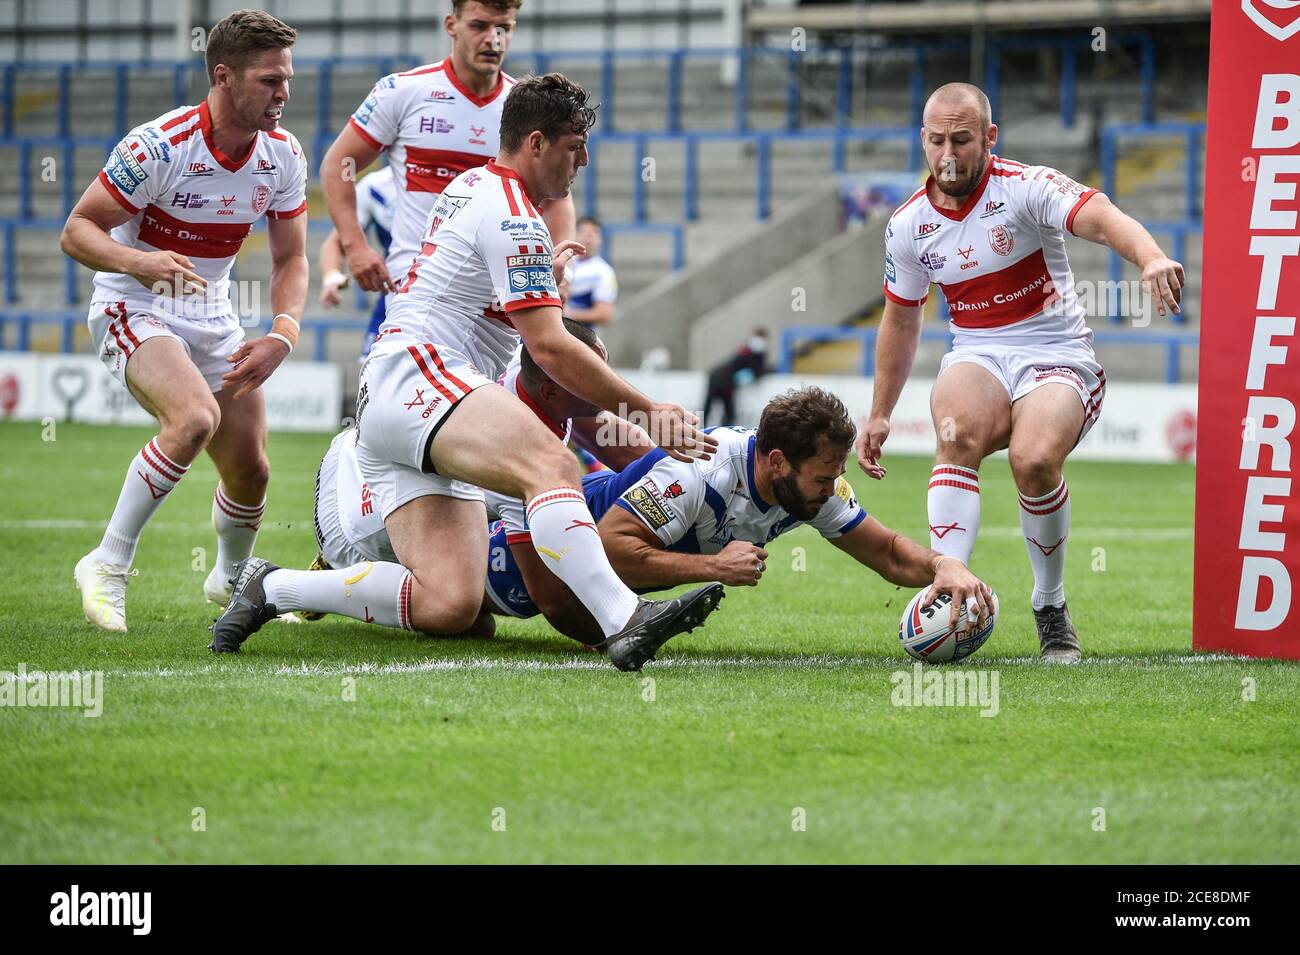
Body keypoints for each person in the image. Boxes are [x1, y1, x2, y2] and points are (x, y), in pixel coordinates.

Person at [210, 73, 724, 672]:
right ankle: (625, 620)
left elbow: (484, 291)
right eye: (574, 145)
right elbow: (550, 350)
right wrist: (647, 410)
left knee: (451, 603)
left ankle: (272, 588)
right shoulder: (512, 214)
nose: (583, 160)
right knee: (552, 464)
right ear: (535, 143)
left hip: (396, 394)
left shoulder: (475, 186)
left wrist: (540, 274)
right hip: (420, 375)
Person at [859, 82, 1186, 662]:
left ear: (990, 136)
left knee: (1033, 461)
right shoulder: (908, 225)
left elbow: (1101, 214)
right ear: (923, 140)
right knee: (955, 434)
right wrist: (880, 412)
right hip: (978, 352)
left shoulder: (1026, 187)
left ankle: (1049, 603)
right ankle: (949, 579)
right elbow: (901, 322)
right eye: (936, 141)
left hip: (1057, 352)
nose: (948, 155)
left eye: (962, 140)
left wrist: (1151, 256)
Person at [62, 10, 308, 632]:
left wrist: (284, 331)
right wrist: (139, 262)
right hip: (131, 303)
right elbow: (77, 231)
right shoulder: (160, 146)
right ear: (223, 76)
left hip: (211, 311)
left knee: (251, 468)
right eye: (268, 81)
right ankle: (107, 564)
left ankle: (231, 579)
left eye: (286, 79)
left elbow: (292, 257)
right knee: (195, 418)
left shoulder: (282, 155)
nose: (283, 93)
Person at [491, 386, 993, 645]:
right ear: (776, 462)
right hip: (529, 552)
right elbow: (610, 549)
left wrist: (941, 566)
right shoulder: (700, 471)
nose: (831, 489)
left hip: (587, 604)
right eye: (822, 478)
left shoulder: (815, 487)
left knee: (463, 618)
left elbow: (885, 552)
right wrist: (713, 568)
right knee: (452, 606)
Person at [319, 0, 575, 323]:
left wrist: (562, 270)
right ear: (451, 25)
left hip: (498, 302)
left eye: (503, 29)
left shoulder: (527, 109)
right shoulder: (403, 91)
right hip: (416, 297)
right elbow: (339, 163)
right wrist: (355, 246)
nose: (493, 40)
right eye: (479, 26)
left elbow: (557, 198)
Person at [318, 162, 396, 358]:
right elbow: (336, 242)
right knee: (375, 380)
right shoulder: (376, 186)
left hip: (458, 304)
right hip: (394, 302)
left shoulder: (468, 182)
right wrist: (332, 277)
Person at [703, 329, 768, 427]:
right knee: (717, 409)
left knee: (727, 410)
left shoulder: (753, 353)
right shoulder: (746, 350)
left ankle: (723, 431)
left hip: (724, 378)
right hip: (722, 378)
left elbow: (758, 370)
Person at [564, 216, 617, 327]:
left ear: (601, 240)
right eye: (584, 232)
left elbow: (604, 314)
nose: (588, 238)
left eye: (594, 233)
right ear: (575, 235)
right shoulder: (563, 260)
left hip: (582, 335)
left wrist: (566, 315)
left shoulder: (603, 272)